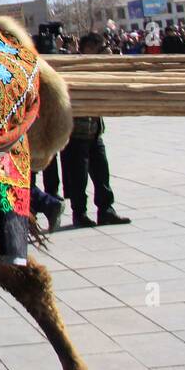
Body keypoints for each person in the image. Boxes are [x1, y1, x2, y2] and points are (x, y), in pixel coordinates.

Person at [60, 33, 132, 228]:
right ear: (88, 49)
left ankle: (106, 210)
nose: (102, 52)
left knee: (102, 174)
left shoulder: (96, 68)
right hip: (76, 133)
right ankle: (79, 213)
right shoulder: (70, 67)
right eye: (99, 48)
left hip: (95, 131)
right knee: (78, 178)